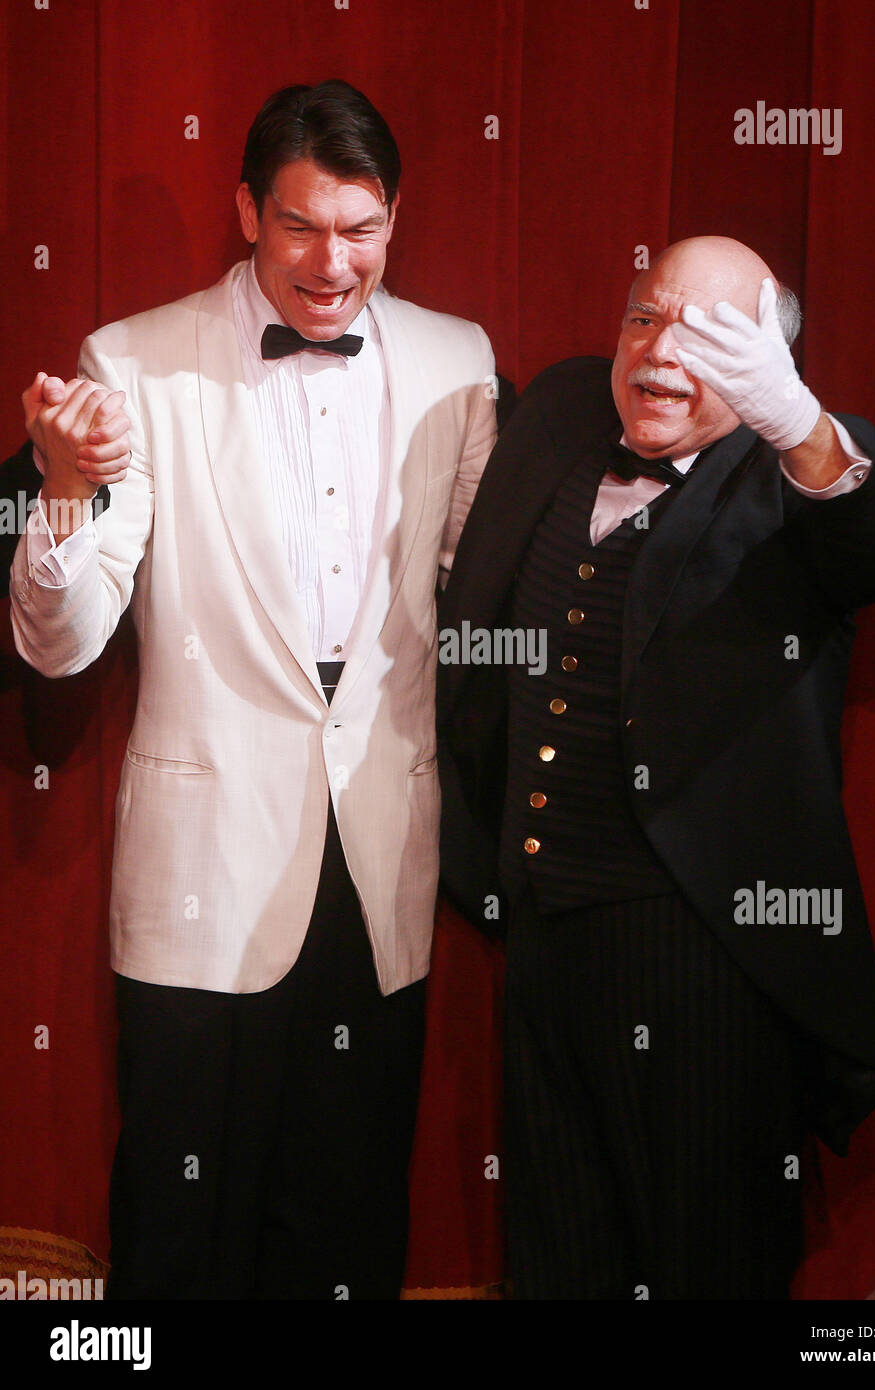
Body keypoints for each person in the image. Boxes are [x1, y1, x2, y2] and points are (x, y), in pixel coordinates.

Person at [9, 79, 496, 1299]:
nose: (333, 263)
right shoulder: (132, 363)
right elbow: (60, 644)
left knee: (345, 1218)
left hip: (382, 860)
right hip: (202, 871)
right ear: (244, 211)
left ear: (395, 216)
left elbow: (481, 598)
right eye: (299, 227)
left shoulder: (459, 361)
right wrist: (64, 490)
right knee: (180, 1228)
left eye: (362, 227)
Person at [437, 235, 875, 1299]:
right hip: (543, 938)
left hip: (702, 961)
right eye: (645, 319)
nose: (659, 355)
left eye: (706, 338)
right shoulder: (563, 413)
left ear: (766, 372)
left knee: (701, 1261)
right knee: (557, 1256)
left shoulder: (787, 479)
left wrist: (796, 424)